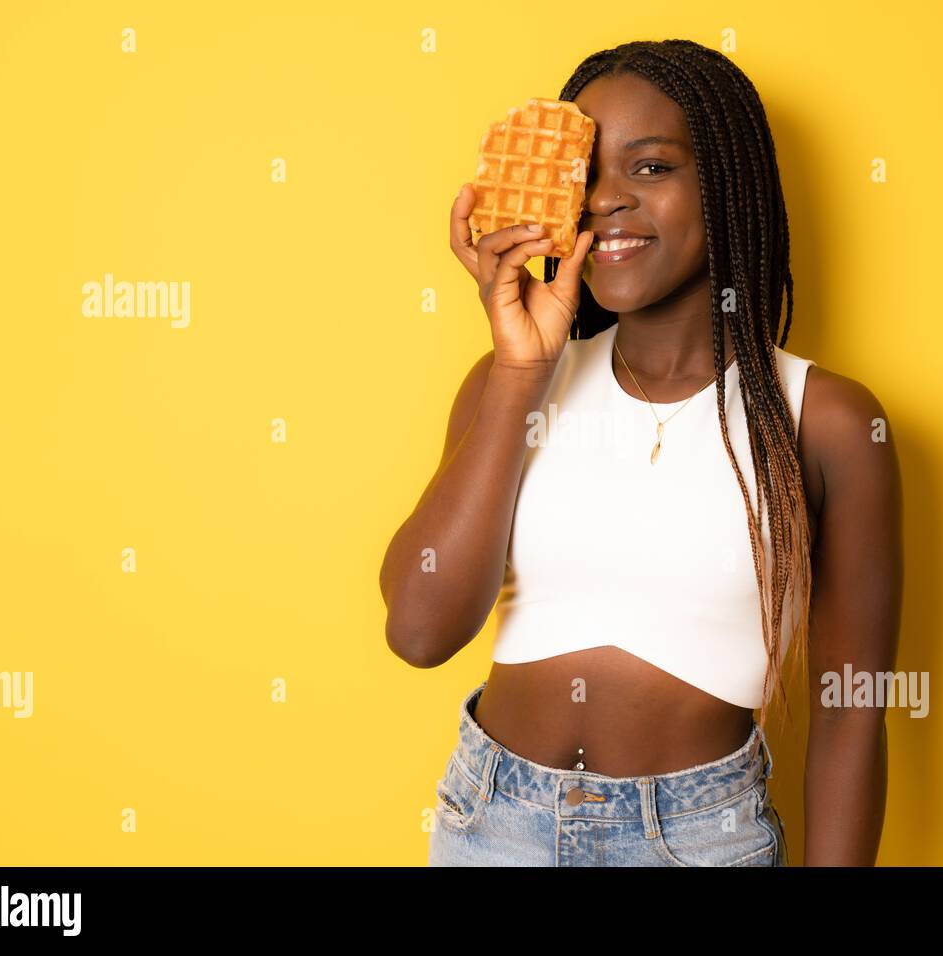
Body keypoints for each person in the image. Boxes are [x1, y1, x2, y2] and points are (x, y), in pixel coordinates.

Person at [380, 39, 902, 866]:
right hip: (491, 826)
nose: (605, 201)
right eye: (585, 174)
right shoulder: (510, 383)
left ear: (726, 186)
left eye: (651, 167)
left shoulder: (828, 421)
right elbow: (418, 630)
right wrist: (521, 372)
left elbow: (851, 711)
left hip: (699, 838)